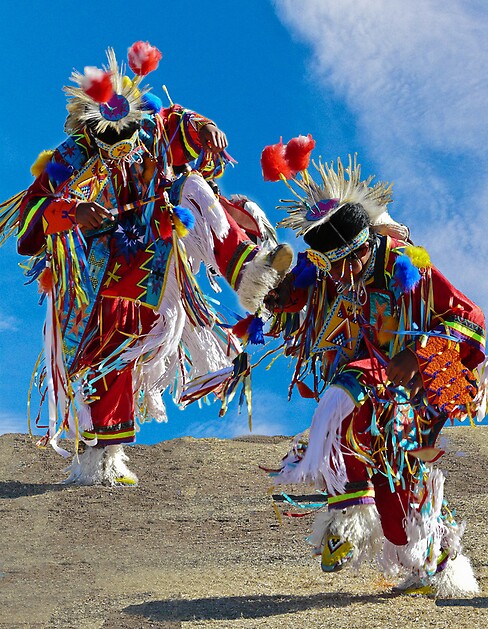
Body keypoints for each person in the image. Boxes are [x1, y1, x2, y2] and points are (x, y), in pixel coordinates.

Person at [2, 43, 291, 485]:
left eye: (126, 135)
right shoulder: (70, 157)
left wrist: (206, 128)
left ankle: (248, 272)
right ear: (89, 130)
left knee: (193, 186)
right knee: (110, 351)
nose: (119, 145)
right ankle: (102, 456)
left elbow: (181, 122)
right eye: (108, 139)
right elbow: (31, 218)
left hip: (157, 240)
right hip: (98, 267)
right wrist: (72, 213)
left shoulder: (152, 127)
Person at [262, 153, 485, 597]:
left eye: (351, 259)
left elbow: (470, 318)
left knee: (351, 420)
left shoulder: (410, 266)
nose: (343, 274)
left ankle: (393, 540)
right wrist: (274, 292)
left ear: (368, 242)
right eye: (333, 265)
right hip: (367, 377)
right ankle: (390, 536)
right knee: (380, 467)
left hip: (408, 389)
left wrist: (419, 354)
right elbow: (290, 295)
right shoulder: (326, 268)